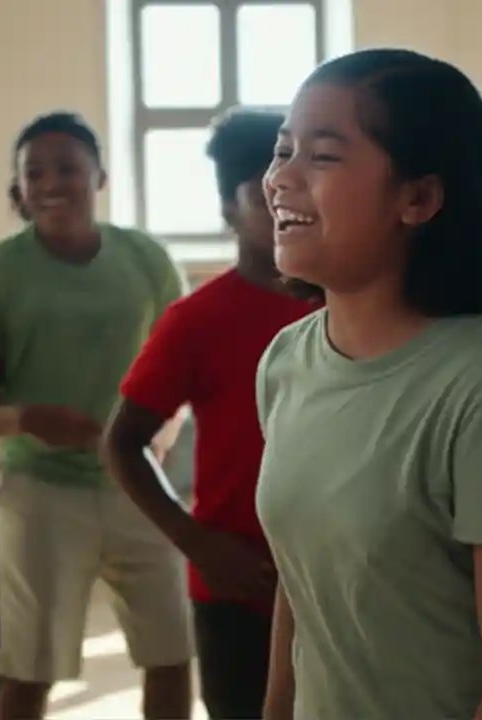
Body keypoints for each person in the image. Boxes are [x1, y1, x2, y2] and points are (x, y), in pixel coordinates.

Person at [255, 48, 482, 720]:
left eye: (323, 156)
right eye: (283, 150)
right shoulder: (288, 362)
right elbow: (305, 582)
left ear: (419, 198)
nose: (281, 178)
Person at [0, 111, 193, 720]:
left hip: (136, 483)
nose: (51, 183)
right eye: (34, 172)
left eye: (67, 168)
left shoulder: (146, 259)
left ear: (100, 177)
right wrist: (27, 419)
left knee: (171, 653)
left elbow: (181, 367)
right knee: (30, 670)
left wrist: (160, 434)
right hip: (39, 491)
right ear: (19, 186)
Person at [105, 108, 315, 720]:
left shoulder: (349, 306)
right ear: (229, 210)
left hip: (341, 582)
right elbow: (123, 443)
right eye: (263, 194)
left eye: (297, 186)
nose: (283, 204)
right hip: (238, 587)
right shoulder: (197, 321)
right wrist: (198, 544)